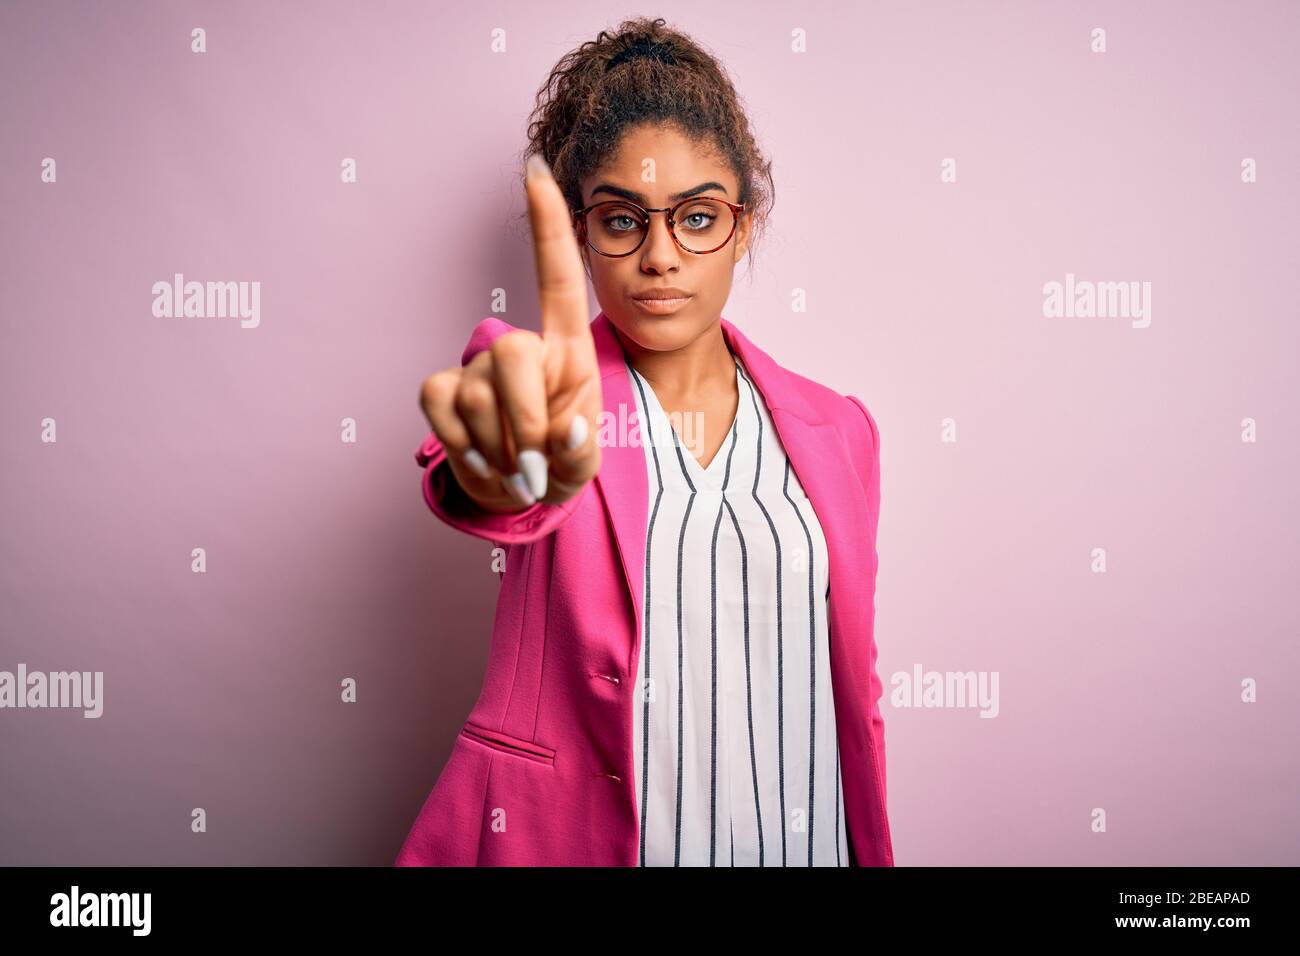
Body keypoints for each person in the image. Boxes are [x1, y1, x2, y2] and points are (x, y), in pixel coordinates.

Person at [396, 16, 892, 867]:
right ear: (581, 232)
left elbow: (856, 691)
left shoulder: (839, 432)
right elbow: (498, 476)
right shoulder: (545, 391)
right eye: (623, 220)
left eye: (697, 217)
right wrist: (508, 461)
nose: (661, 255)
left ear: (744, 224)